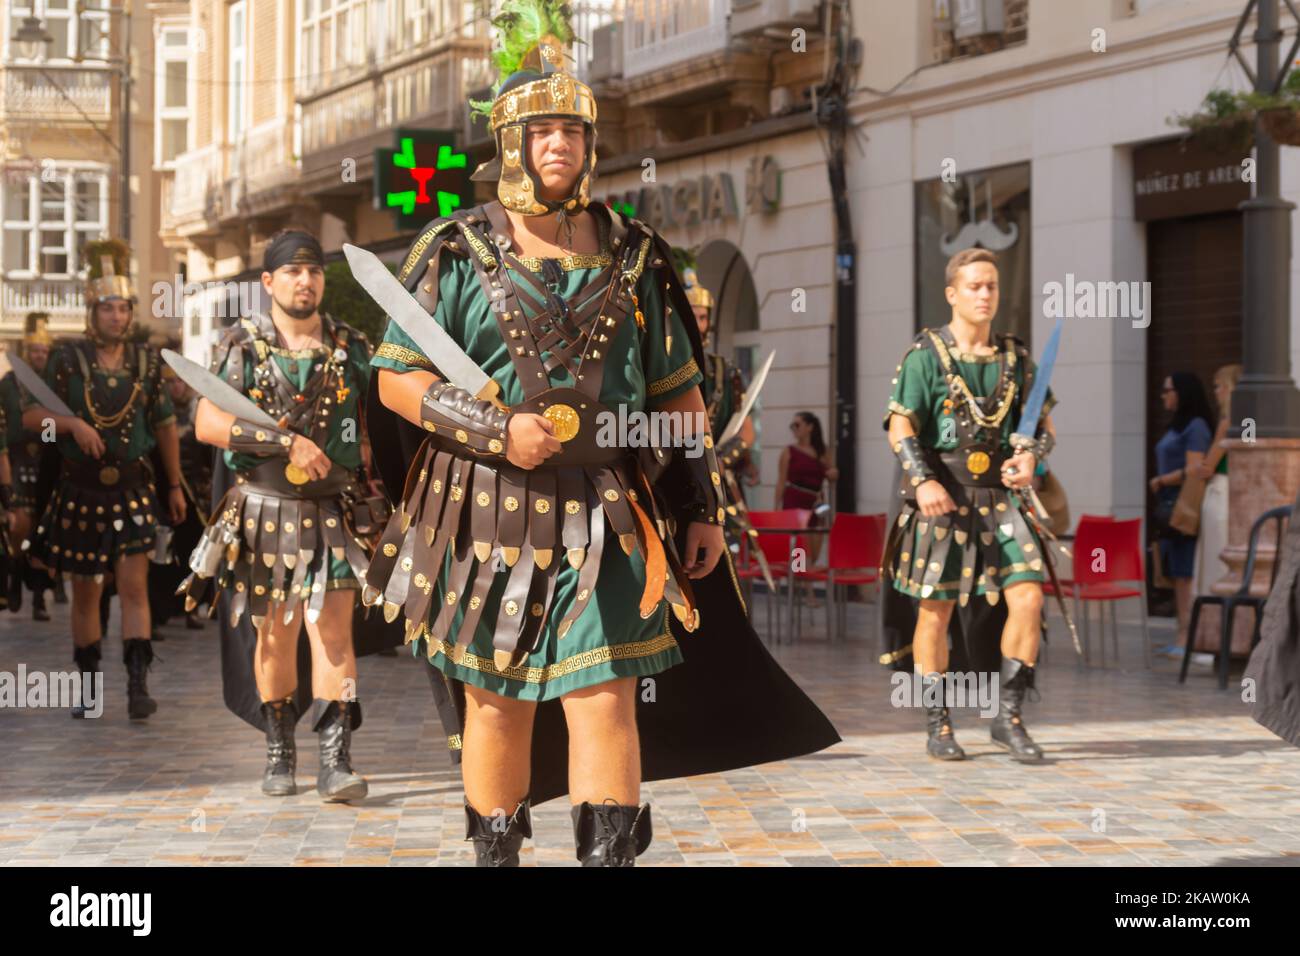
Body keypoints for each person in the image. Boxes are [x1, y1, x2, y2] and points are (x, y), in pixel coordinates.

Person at [365, 0, 839, 867]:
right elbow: (397, 378)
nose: (561, 146)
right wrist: (493, 427)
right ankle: (497, 856)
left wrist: (699, 504)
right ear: (509, 144)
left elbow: (679, 396)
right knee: (498, 700)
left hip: (608, 507)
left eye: (574, 132)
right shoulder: (455, 249)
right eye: (542, 130)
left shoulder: (635, 252)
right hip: (482, 503)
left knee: (606, 693)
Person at [179, 228, 382, 801]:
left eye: (314, 270)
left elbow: (381, 420)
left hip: (332, 509)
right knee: (275, 634)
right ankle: (279, 750)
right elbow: (208, 424)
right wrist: (283, 443)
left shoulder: (353, 345)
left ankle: (337, 758)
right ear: (267, 281)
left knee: (334, 633)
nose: (305, 280)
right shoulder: (240, 345)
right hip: (263, 509)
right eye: (292, 271)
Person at [880, 247, 1068, 763]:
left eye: (992, 286)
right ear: (952, 293)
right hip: (943, 496)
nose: (985, 295)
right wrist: (921, 481)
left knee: (1028, 595)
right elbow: (901, 426)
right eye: (974, 286)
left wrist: (1029, 455)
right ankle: (938, 724)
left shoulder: (1016, 359)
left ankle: (1008, 718)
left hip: (1003, 500)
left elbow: (1042, 429)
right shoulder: (925, 355)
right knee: (935, 610)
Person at [23, 238, 185, 720]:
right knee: (87, 590)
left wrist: (174, 485)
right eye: (107, 308)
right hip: (80, 489)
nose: (116, 316)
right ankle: (89, 689)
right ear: (92, 313)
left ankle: (137, 686)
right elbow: (32, 416)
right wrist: (71, 424)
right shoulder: (66, 361)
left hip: (134, 487)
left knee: (135, 587)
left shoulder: (146, 362)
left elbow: (164, 426)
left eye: (123, 308)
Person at [680, 264, 762, 561]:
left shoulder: (725, 371)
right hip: (675, 475)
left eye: (703, 317)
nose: (698, 324)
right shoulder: (661, 365)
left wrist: (719, 461)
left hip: (719, 480)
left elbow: (746, 431)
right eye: (692, 316)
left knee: (728, 564)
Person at [1150, 372, 1214, 659]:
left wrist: (1162, 480)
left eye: (1168, 390)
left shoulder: (1196, 426)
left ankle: (1188, 636)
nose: (1164, 396)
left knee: (1184, 572)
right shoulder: (1180, 425)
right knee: (1176, 572)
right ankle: (1181, 633)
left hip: (1181, 505)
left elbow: (1195, 469)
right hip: (1168, 505)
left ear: (1183, 393)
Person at [1, 313, 57, 620]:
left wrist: (44, 431)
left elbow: (51, 425)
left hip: (44, 459)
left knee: (41, 529)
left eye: (43, 351)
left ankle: (38, 594)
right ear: (26, 352)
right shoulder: (8, 384)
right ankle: (15, 575)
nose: (39, 355)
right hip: (16, 456)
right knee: (19, 526)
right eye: (35, 350)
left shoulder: (51, 386)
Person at [1190, 364, 1242, 660]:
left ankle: (1211, 641)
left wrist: (1197, 469)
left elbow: (1208, 466)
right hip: (1235, 494)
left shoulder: (1226, 422)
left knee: (1213, 563)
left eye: (1220, 386)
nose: (1216, 392)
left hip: (1219, 492)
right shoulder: (1249, 420)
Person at [775, 411, 837, 606]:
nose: (794, 429)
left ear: (810, 427)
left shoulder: (822, 451)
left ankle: (800, 584)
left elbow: (831, 474)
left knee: (816, 549)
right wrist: (776, 509)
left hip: (815, 502)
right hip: (794, 501)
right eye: (792, 426)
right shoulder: (788, 451)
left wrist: (833, 473)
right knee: (801, 550)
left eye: (798, 425)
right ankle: (808, 593)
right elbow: (781, 480)